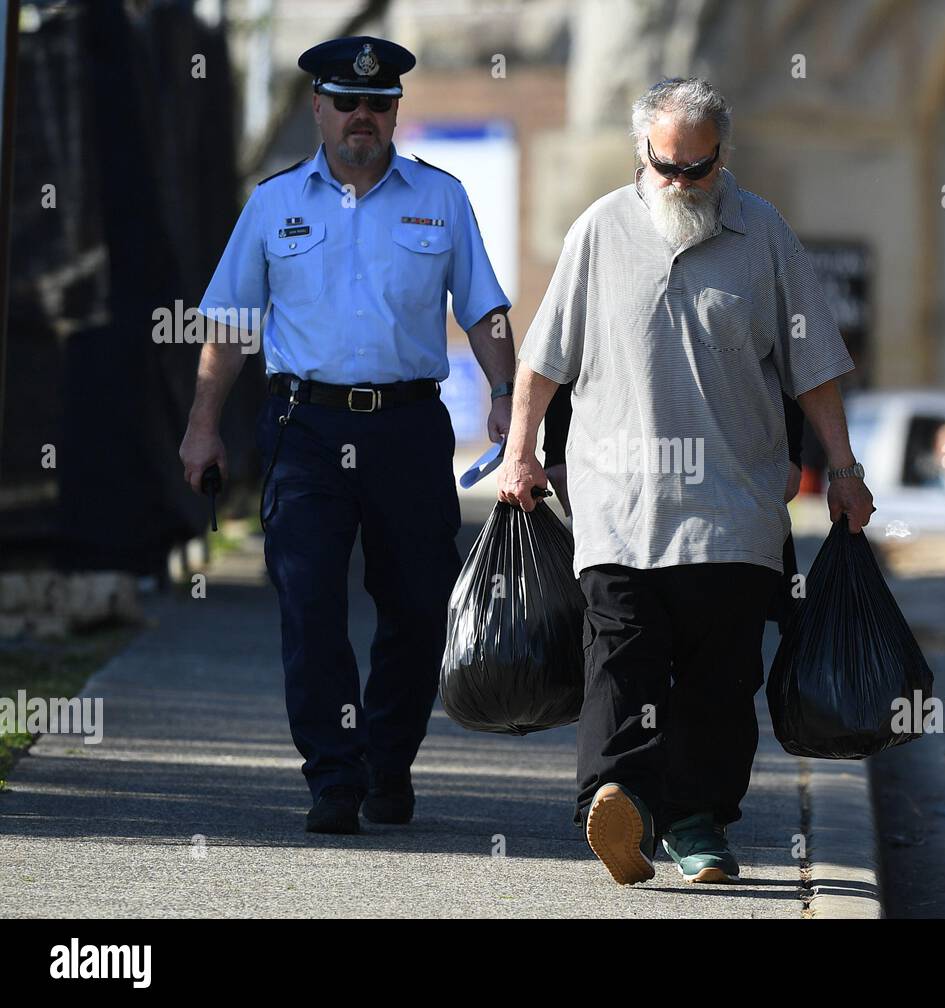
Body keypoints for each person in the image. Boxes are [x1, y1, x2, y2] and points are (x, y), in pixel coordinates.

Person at [497, 78, 874, 885]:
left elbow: (815, 371)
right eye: (667, 168)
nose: (681, 185)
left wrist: (843, 471)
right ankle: (618, 800)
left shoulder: (763, 233)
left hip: (732, 510)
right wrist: (520, 455)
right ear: (644, 152)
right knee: (619, 661)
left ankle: (698, 823)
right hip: (618, 507)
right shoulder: (600, 230)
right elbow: (542, 362)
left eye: (697, 170)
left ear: (721, 157)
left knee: (719, 679)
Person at [178, 36, 515, 835]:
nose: (364, 115)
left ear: (395, 112)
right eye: (348, 102)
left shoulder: (441, 198)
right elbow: (228, 323)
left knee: (418, 604)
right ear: (320, 110)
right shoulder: (272, 204)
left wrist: (508, 398)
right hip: (306, 429)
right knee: (310, 603)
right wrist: (202, 429)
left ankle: (387, 762)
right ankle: (334, 774)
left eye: (380, 103)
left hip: (407, 428)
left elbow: (485, 309)